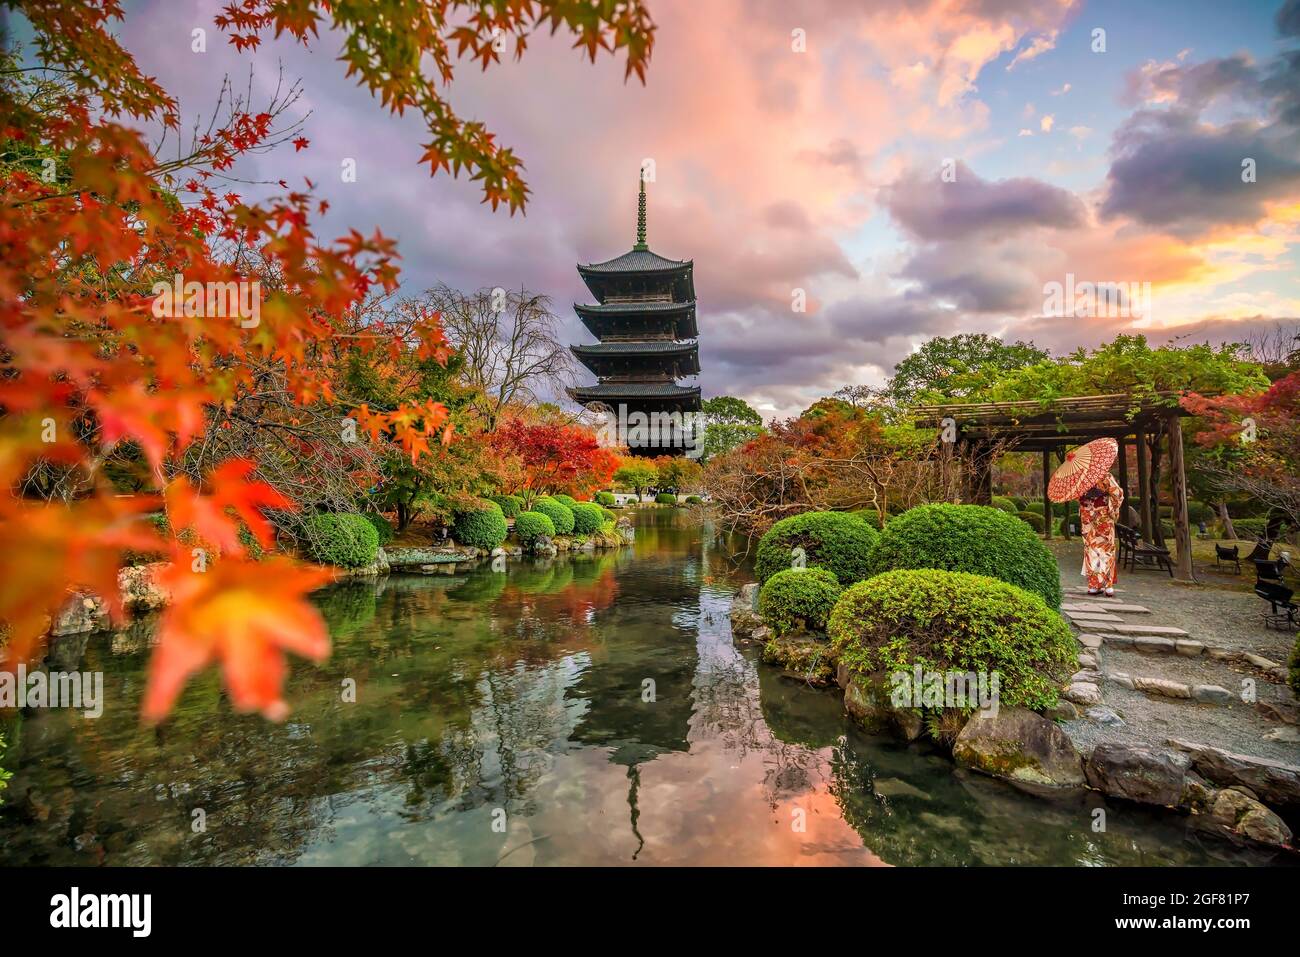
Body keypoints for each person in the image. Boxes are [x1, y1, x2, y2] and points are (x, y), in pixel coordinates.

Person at [1079, 472, 1124, 596]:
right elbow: (1118, 494)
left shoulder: (1081, 476)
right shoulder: (1105, 476)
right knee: (1103, 549)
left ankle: (1095, 585)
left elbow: (1077, 495)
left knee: (1093, 549)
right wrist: (1111, 509)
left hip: (1088, 516)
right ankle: (1106, 585)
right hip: (1102, 515)